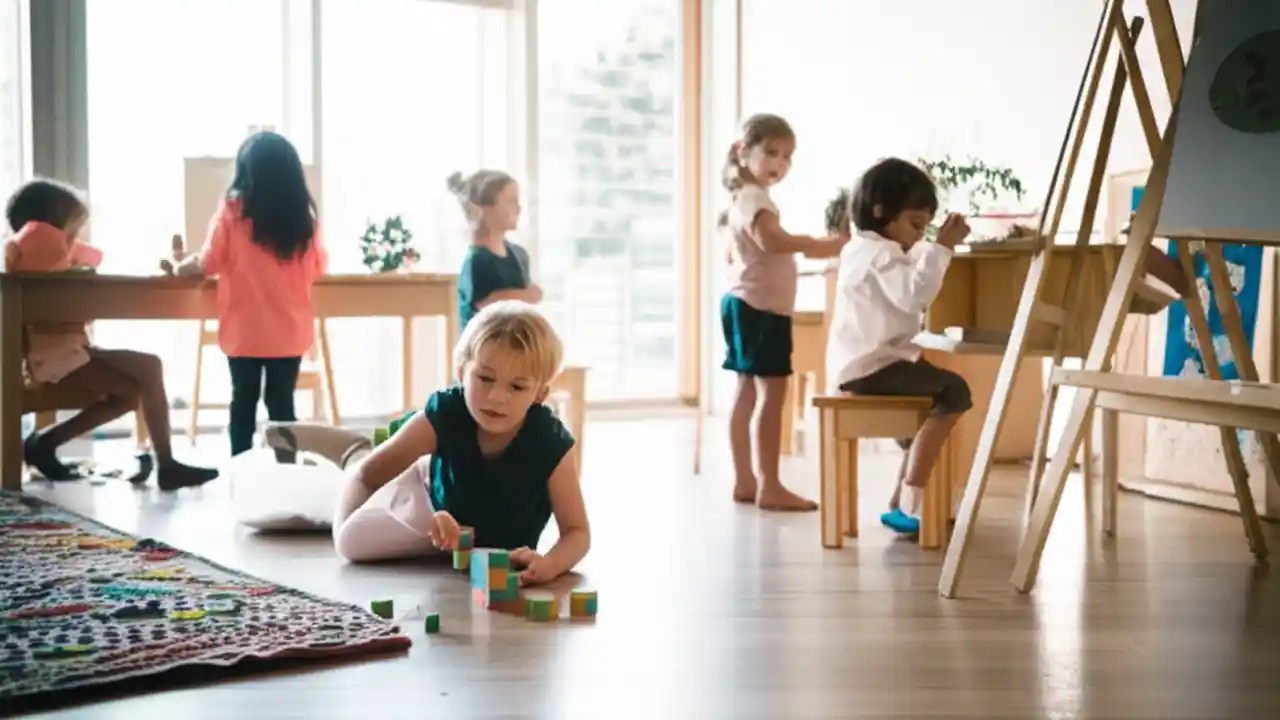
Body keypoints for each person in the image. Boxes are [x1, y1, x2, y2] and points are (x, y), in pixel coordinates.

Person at [332, 300, 589, 586]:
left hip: (479, 550)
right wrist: (342, 529)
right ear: (461, 373)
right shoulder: (447, 413)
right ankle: (357, 450)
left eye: (517, 387)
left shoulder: (549, 441)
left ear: (540, 395)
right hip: (426, 500)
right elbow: (367, 475)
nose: (496, 397)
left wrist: (550, 564)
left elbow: (577, 532)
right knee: (352, 543)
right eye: (485, 378)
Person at [5, 178, 218, 488]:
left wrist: (70, 241)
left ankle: (45, 443)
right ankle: (166, 464)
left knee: (136, 384)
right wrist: (58, 236)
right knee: (146, 371)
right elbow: (70, 256)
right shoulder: (38, 245)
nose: (76, 235)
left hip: (73, 353)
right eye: (72, 225)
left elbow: (94, 257)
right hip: (57, 360)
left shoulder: (46, 259)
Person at [826, 158, 972, 534]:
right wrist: (942, 249)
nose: (917, 236)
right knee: (954, 391)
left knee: (925, 408)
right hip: (873, 366)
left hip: (860, 365)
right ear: (881, 213)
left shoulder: (862, 249)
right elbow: (914, 296)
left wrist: (931, 249)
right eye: (915, 225)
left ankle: (903, 503)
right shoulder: (881, 255)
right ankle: (911, 499)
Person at [164, 131, 328, 456]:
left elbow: (208, 262)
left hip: (244, 331)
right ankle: (285, 466)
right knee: (282, 404)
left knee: (243, 401)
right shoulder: (303, 222)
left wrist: (181, 265)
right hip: (288, 331)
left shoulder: (231, 214)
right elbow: (318, 267)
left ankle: (240, 467)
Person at [719, 113, 848, 512]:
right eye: (772, 152)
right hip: (761, 310)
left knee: (745, 392)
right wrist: (822, 244)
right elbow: (772, 242)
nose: (780, 163)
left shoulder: (744, 198)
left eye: (787, 156)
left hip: (744, 303)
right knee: (773, 397)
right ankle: (770, 484)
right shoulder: (755, 199)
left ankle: (746, 479)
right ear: (744, 151)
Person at [448, 170, 541, 332]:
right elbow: (481, 306)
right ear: (484, 209)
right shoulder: (476, 261)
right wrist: (523, 296)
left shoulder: (519, 255)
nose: (519, 209)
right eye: (511, 201)